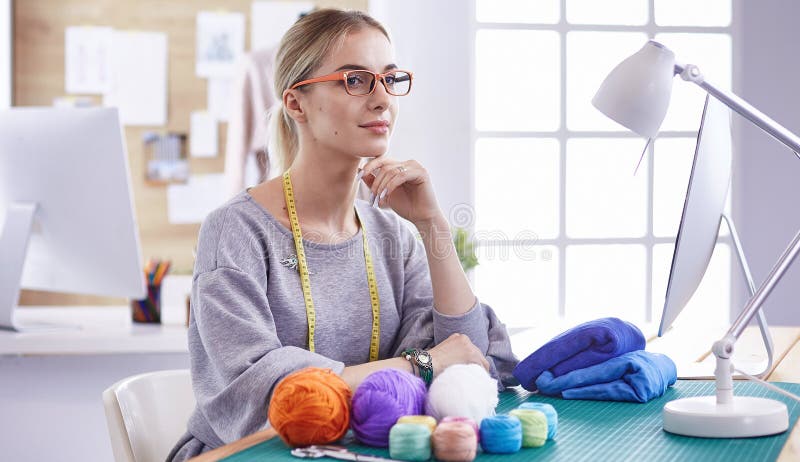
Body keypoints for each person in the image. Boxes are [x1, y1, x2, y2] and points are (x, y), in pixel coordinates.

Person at [168, 8, 518, 461]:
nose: (382, 100)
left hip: (361, 451)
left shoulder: (393, 233)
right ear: (296, 103)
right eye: (355, 80)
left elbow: (473, 360)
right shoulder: (235, 231)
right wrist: (423, 365)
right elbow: (269, 394)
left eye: (389, 79)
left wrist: (433, 226)